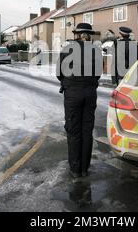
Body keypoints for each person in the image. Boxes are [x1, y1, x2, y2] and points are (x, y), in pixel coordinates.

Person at [56, 23, 103, 179]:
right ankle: (84, 168)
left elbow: (59, 74)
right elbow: (98, 74)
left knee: (74, 130)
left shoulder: (66, 50)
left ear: (77, 34)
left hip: (72, 94)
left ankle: (75, 169)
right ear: (89, 35)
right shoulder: (95, 51)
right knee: (86, 130)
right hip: (90, 93)